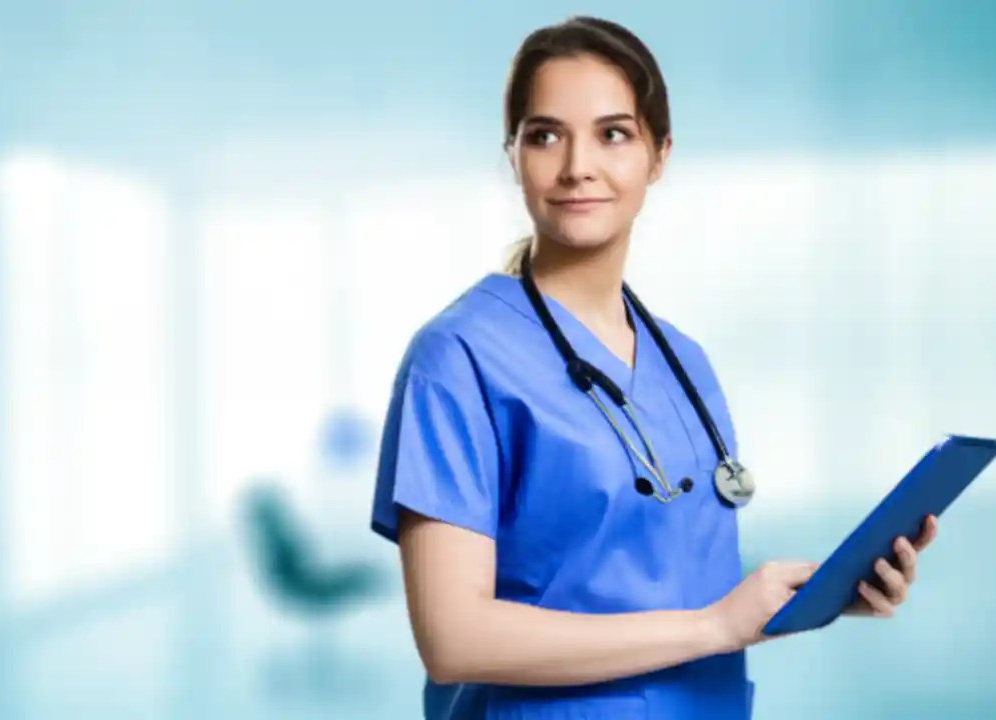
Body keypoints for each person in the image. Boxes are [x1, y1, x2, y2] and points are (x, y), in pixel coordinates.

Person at [369, 15, 937, 720]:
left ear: (659, 156)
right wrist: (714, 627)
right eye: (545, 134)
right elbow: (454, 638)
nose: (578, 165)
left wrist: (818, 594)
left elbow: (662, 569)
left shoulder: (684, 363)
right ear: (512, 155)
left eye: (613, 133)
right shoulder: (456, 360)